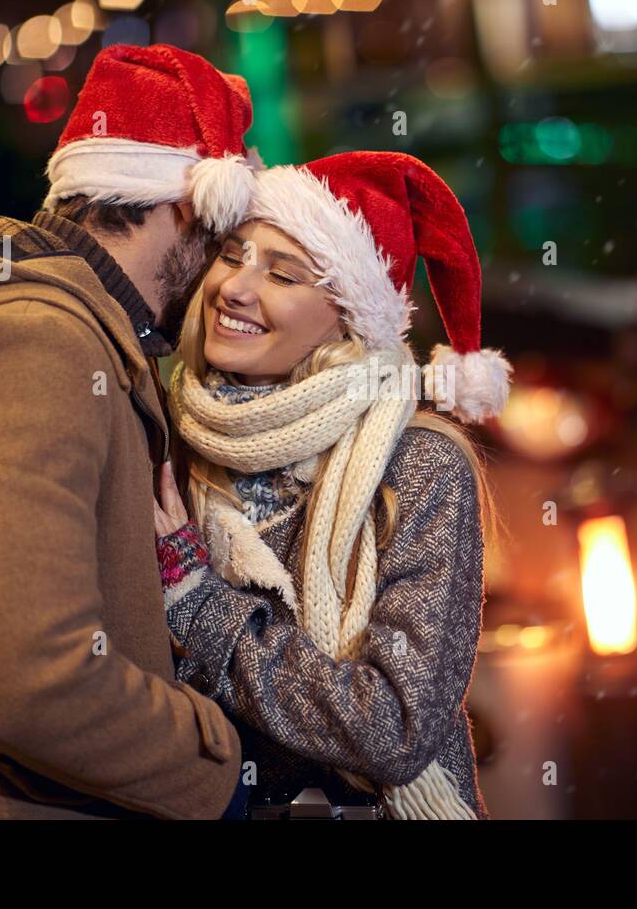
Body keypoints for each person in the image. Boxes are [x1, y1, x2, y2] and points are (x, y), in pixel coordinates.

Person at [0, 44, 261, 819]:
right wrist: (218, 764)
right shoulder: (30, 341)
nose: (226, 277)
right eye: (228, 239)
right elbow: (32, 677)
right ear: (188, 207)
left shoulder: (64, 327)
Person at [153, 150, 513, 819]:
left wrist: (200, 605)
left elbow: (392, 729)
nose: (234, 287)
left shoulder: (418, 467)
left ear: (348, 317)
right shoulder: (173, 435)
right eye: (234, 255)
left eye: (283, 273)